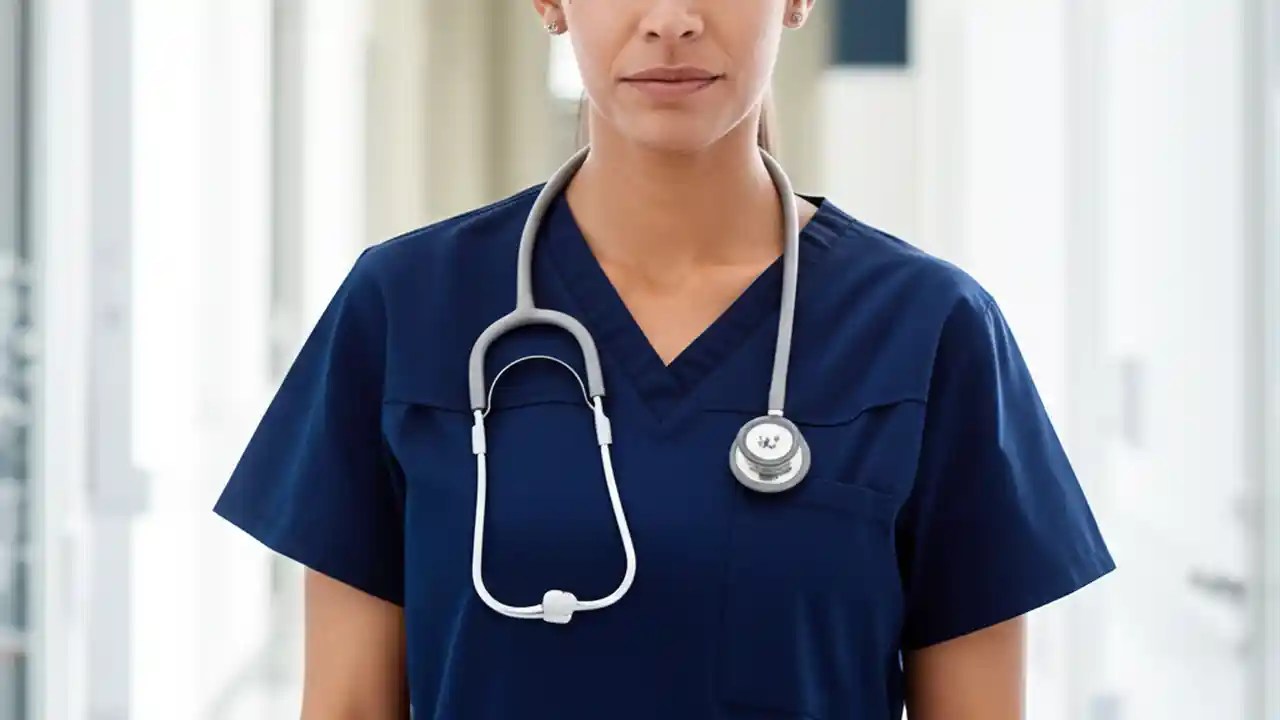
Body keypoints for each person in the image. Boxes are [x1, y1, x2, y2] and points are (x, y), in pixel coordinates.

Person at [212, 1, 1116, 718]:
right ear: (550, 1)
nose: (672, 15)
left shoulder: (930, 329)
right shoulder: (405, 307)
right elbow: (346, 705)